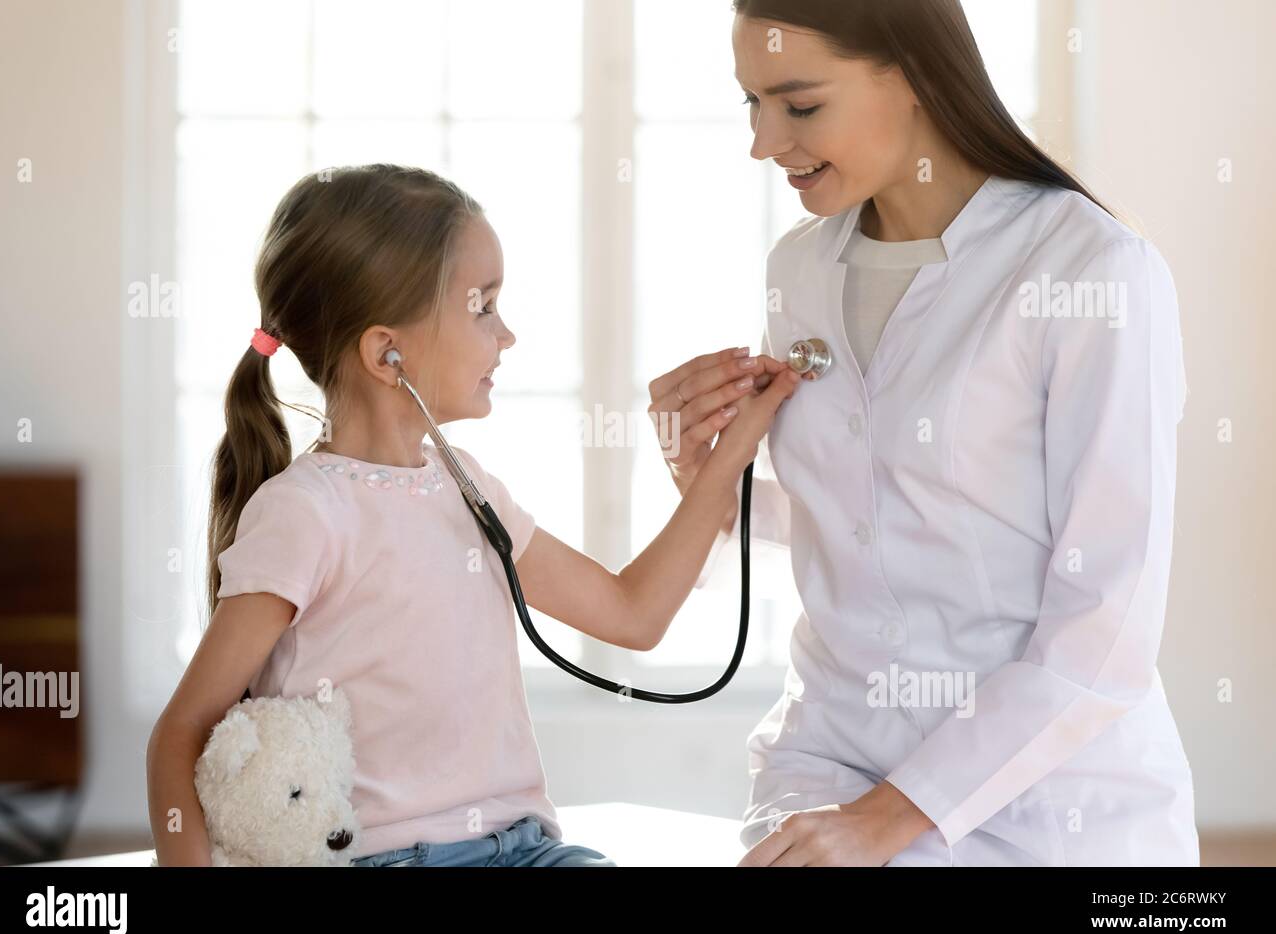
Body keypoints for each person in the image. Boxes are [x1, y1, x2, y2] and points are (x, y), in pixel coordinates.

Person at [652, 0, 1196, 865]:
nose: (763, 142)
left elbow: (1108, 623)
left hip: (1052, 808)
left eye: (798, 105)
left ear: (909, 75)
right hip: (828, 764)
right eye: (749, 105)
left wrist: (890, 818)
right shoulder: (798, 268)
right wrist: (708, 477)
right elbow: (849, 526)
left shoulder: (1090, 270)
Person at [145, 164, 799, 867]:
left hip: (522, 850)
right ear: (385, 352)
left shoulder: (467, 489)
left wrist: (726, 462)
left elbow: (632, 613)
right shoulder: (307, 513)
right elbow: (181, 733)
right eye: (482, 306)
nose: (507, 334)